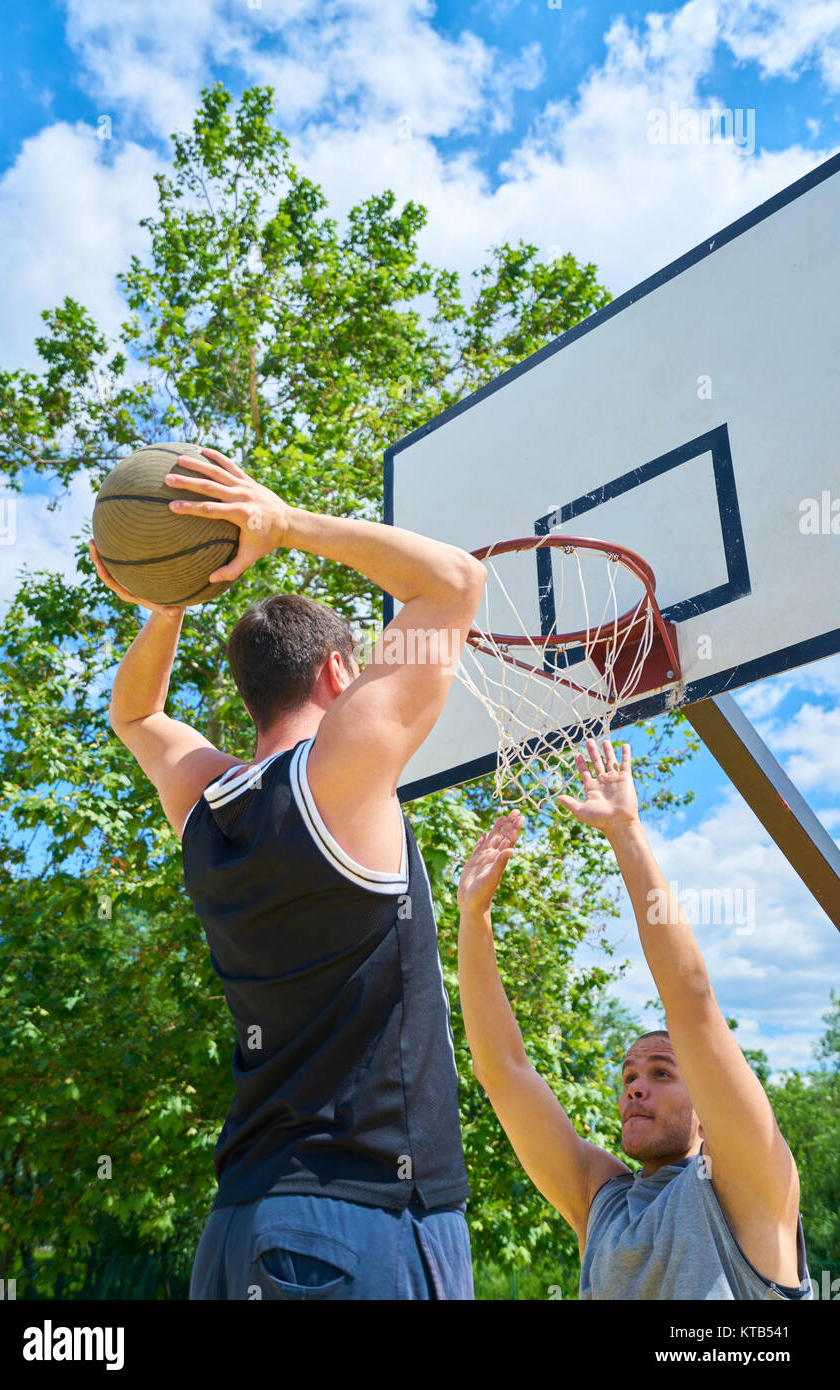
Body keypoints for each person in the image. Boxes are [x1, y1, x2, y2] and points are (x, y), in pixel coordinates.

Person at [90, 445, 487, 1300]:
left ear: (247, 694)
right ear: (337, 672)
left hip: (238, 1225)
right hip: (357, 1221)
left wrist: (168, 604)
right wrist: (281, 525)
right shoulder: (338, 778)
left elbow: (136, 712)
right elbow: (453, 581)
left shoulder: (204, 800)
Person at [457, 737, 813, 1300]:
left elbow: (690, 1002)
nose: (636, 1088)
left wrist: (626, 833)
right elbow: (503, 1072)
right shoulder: (601, 1201)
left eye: (662, 1073)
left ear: (707, 1100)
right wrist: (472, 918)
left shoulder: (748, 1184)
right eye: (628, 1077)